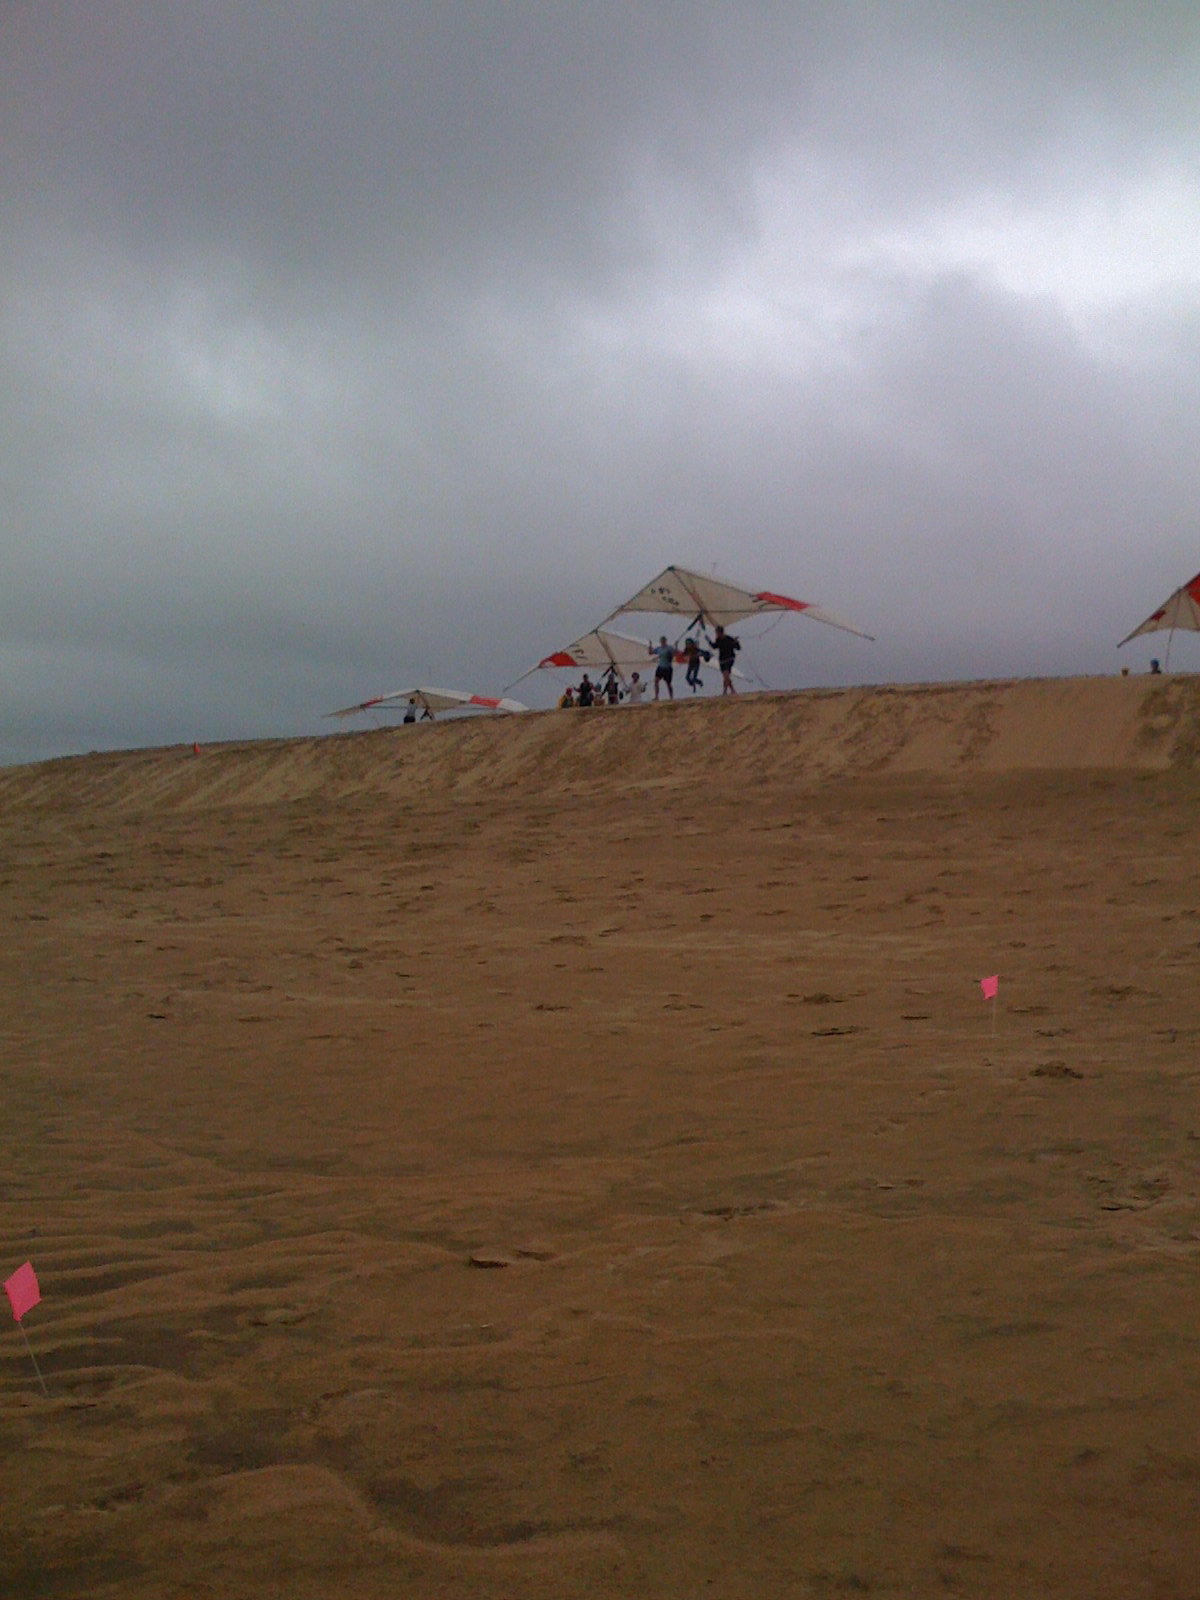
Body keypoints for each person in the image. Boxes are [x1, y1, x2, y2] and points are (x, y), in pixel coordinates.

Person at [707, 625, 740, 694]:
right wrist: (709, 641)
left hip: (729, 659)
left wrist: (736, 642)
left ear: (721, 633)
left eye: (718, 633)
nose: (717, 635)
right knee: (726, 676)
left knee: (726, 675)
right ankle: (726, 691)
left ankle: (732, 690)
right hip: (722, 660)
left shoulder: (728, 639)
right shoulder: (718, 640)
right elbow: (714, 647)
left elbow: (737, 648)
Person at [651, 636, 675, 701]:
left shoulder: (669, 648)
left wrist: (675, 647)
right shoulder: (659, 648)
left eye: (663, 641)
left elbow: (673, 655)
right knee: (656, 681)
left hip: (667, 668)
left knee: (668, 683)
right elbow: (651, 652)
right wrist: (650, 646)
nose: (663, 642)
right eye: (662, 641)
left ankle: (671, 697)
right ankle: (656, 696)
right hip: (660, 667)